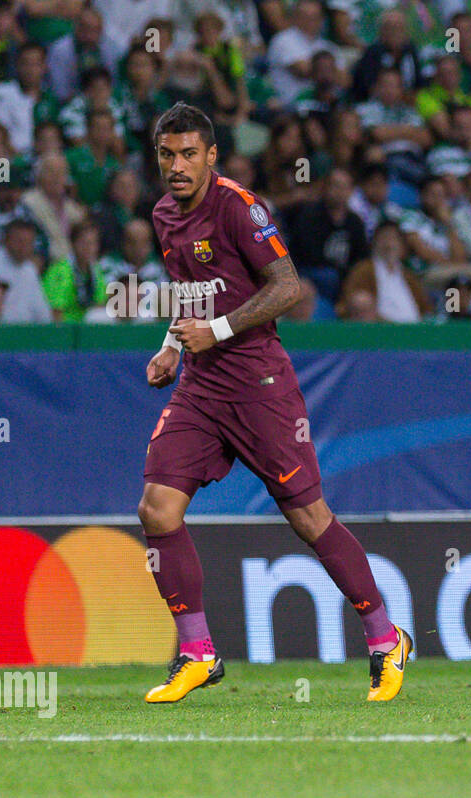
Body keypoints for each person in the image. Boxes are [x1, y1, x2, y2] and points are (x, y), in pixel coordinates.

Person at [139, 103, 412, 704]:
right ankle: (197, 652)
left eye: (189, 154)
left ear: (212, 156)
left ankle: (385, 636)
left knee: (309, 518)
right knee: (157, 508)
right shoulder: (163, 213)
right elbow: (190, 293)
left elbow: (289, 287)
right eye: (167, 155)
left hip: (259, 382)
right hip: (201, 386)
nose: (177, 166)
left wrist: (218, 333)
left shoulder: (241, 207)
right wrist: (171, 347)